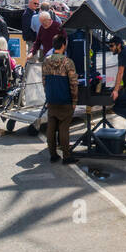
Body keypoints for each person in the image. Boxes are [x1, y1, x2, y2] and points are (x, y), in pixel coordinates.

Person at [41, 33, 79, 164]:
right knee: (64, 128)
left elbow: (44, 80)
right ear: (64, 45)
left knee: (51, 127)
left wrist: (48, 95)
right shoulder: (68, 62)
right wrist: (74, 100)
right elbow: (73, 83)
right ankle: (66, 156)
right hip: (65, 99)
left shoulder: (46, 61)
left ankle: (53, 154)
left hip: (52, 98)